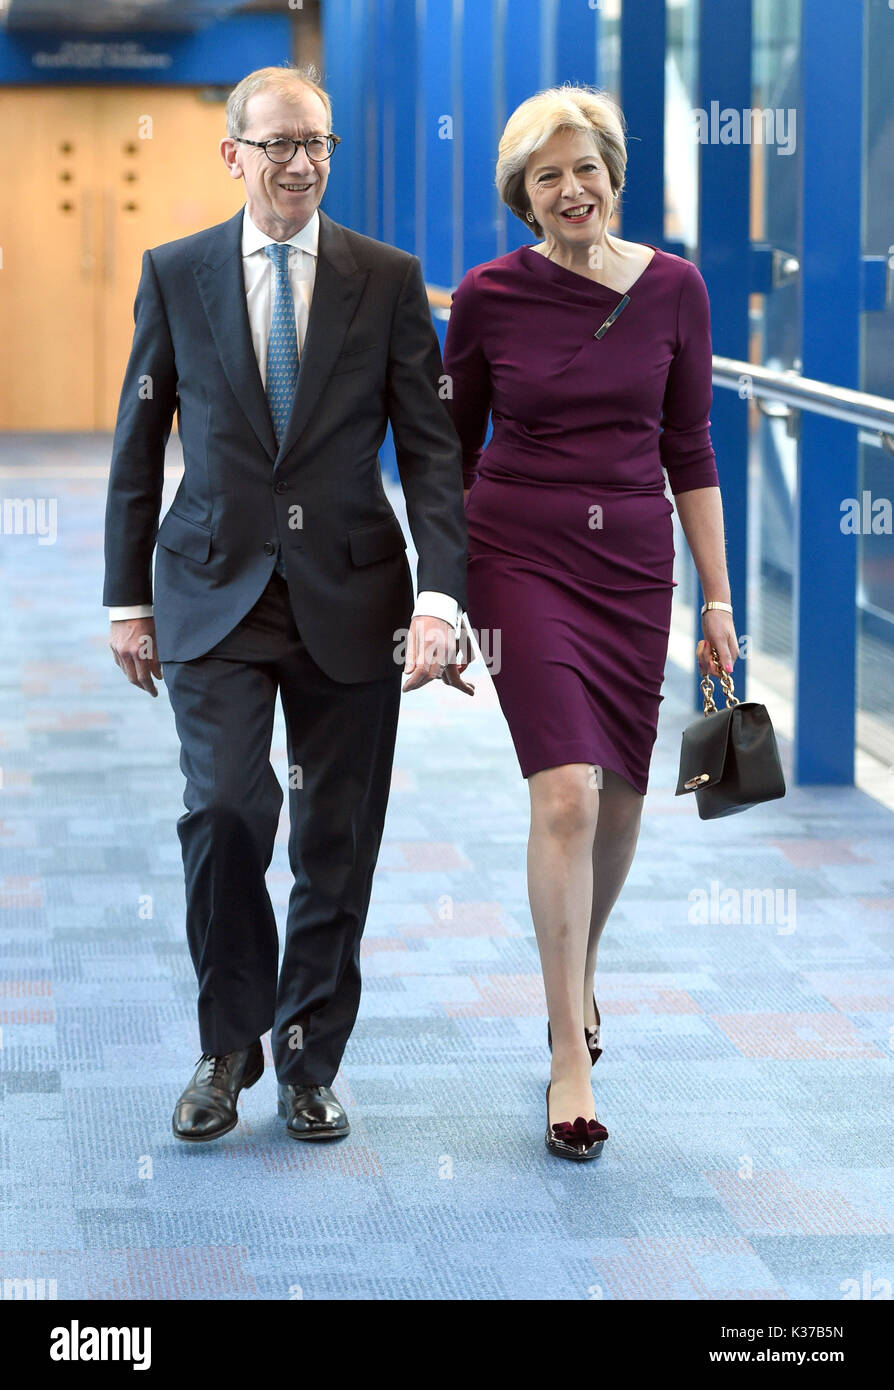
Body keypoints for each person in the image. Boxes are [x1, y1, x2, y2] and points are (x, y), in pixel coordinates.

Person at [104, 63, 472, 1145]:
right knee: (224, 809)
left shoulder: (387, 277)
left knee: (335, 837)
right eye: (278, 145)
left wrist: (444, 597)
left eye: (316, 144)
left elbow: (434, 453)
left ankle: (310, 1057)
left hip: (353, 593)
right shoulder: (177, 273)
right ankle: (228, 1045)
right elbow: (138, 445)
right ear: (234, 155)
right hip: (212, 587)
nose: (300, 163)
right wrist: (127, 598)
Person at [442, 85, 738, 1161]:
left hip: (631, 566)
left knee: (619, 800)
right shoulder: (486, 297)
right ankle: (569, 1047)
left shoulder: (675, 290)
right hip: (518, 554)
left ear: (615, 173)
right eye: (546, 176)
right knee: (563, 789)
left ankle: (582, 973)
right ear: (524, 196)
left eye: (585, 168)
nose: (571, 189)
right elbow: (448, 452)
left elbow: (690, 448)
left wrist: (715, 595)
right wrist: (440, 592)